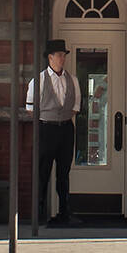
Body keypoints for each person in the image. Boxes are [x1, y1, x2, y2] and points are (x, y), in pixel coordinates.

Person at [25, 38, 80, 226]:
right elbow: (31, 108)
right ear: (50, 57)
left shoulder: (72, 80)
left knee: (64, 173)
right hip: (46, 128)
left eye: (64, 55)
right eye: (59, 55)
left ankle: (65, 212)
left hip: (65, 129)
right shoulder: (38, 80)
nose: (62, 58)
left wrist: (62, 117)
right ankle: (39, 213)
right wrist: (49, 116)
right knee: (43, 172)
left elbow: (75, 106)